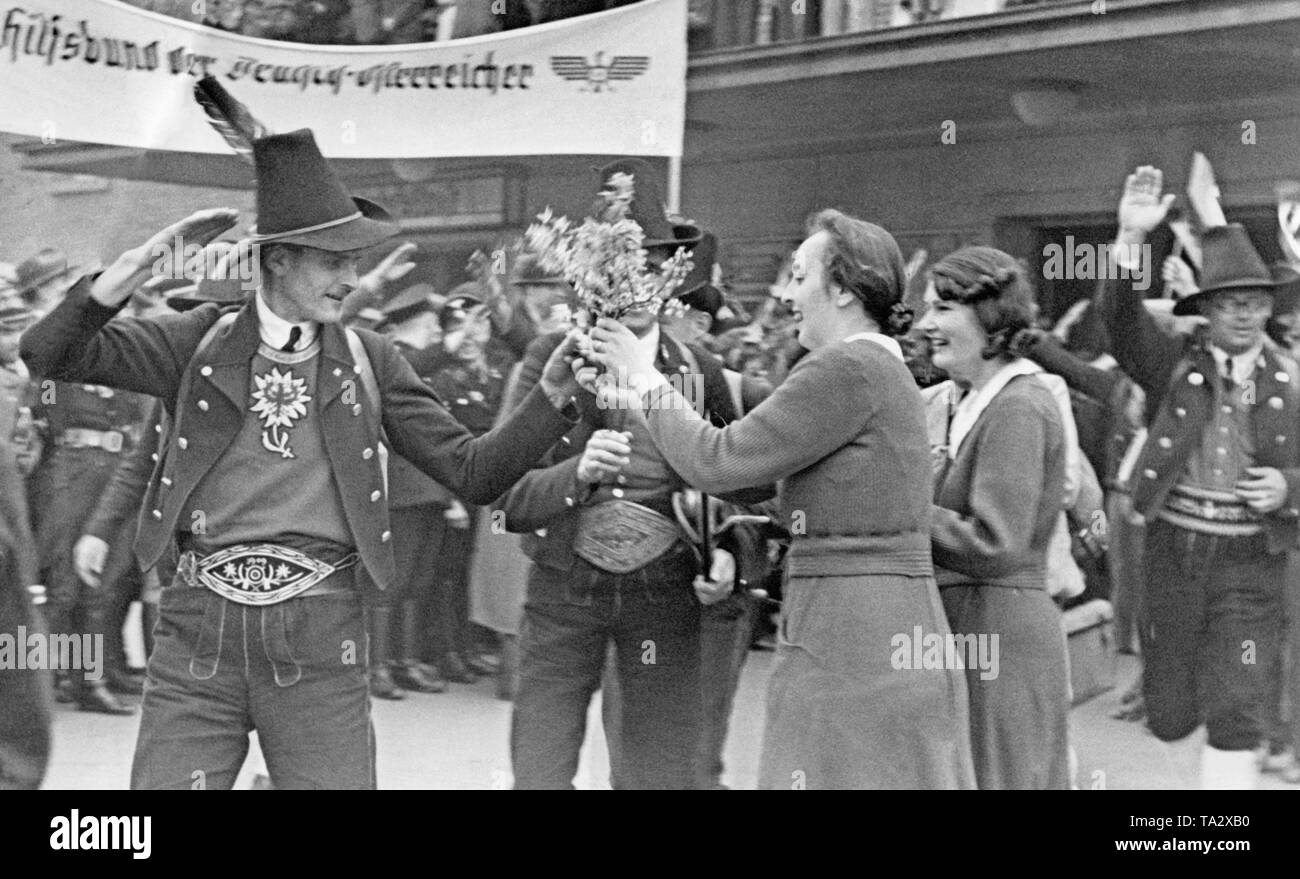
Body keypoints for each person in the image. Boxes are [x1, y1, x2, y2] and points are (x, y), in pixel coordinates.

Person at [19, 128, 584, 790]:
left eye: (353, 261)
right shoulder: (192, 341)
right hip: (198, 633)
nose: (351, 277)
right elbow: (45, 353)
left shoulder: (373, 359)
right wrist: (131, 271)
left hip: (322, 636)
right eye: (332, 260)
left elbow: (474, 469)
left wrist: (548, 399)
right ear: (278, 260)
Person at [589, 208, 976, 790]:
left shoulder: (846, 368)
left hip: (850, 635)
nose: (787, 292)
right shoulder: (874, 368)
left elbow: (717, 461)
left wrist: (644, 378)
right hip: (875, 623)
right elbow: (762, 479)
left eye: (799, 275)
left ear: (843, 290)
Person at [500, 161, 769, 789]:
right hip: (563, 590)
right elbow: (505, 493)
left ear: (674, 278)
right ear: (589, 276)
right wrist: (575, 473)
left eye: (651, 269)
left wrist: (727, 551)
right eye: (618, 271)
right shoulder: (551, 357)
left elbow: (742, 483)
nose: (633, 286)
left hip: (665, 597)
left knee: (658, 771)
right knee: (540, 768)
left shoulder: (699, 369)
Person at [1096, 165, 1300, 789]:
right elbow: (1122, 319)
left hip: (1250, 558)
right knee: (1170, 713)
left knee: (1236, 707)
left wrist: (1290, 488)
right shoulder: (1172, 367)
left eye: (1256, 303)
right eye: (1232, 304)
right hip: (1174, 552)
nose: (1245, 316)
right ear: (1206, 310)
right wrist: (1131, 237)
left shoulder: (1293, 383)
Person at [915, 246, 1072, 790]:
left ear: (990, 318)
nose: (925, 324)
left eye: (942, 309)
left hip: (1000, 633)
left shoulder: (1018, 405)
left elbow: (995, 541)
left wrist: (899, 506)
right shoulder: (982, 399)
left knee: (999, 777)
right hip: (981, 627)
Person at [365, 283, 451, 698]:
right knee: (391, 582)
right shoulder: (395, 359)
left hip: (429, 489)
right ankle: (377, 665)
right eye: (435, 321)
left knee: (419, 580)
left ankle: (405, 660)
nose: (440, 330)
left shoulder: (428, 363)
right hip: (399, 490)